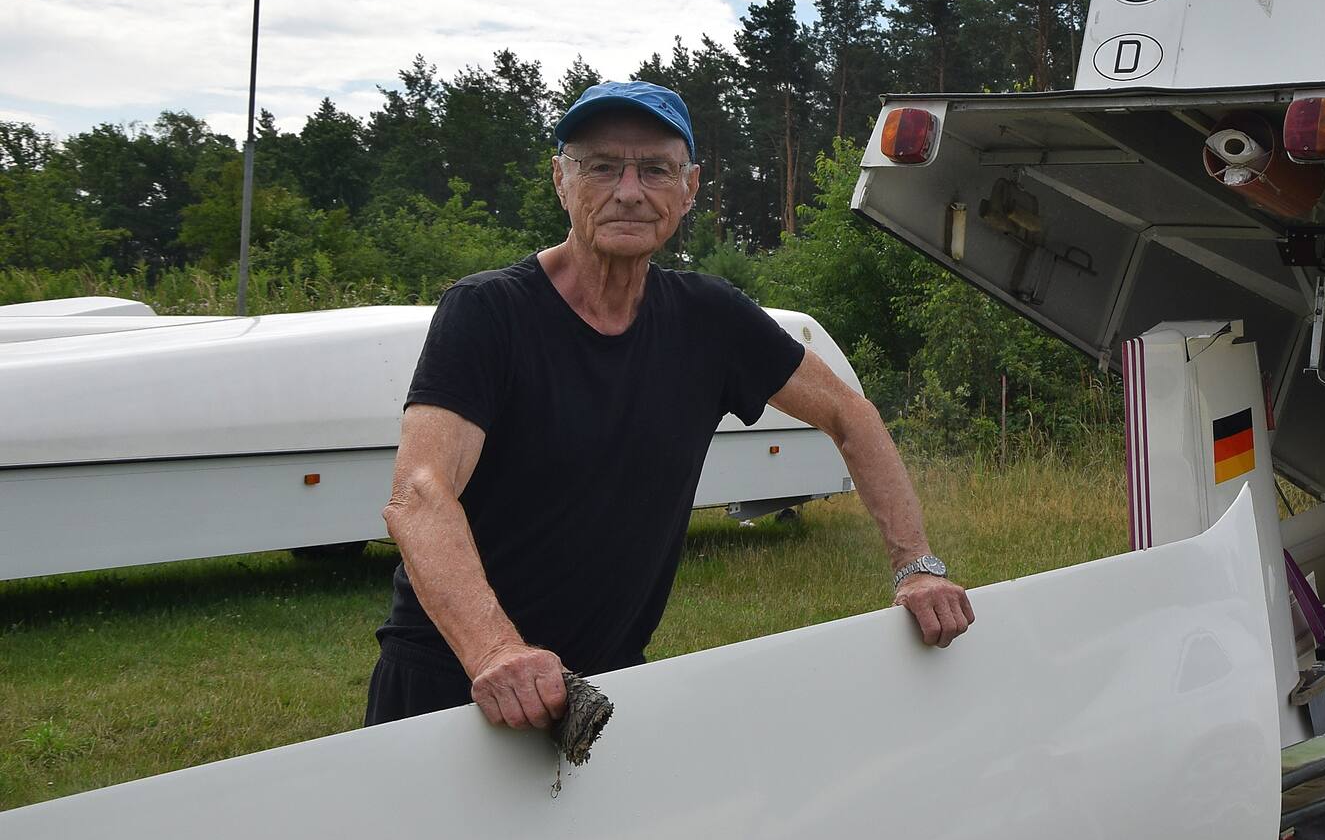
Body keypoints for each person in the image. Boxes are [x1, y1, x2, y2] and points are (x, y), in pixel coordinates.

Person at [365, 80, 973, 728]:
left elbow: (851, 415)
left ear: (689, 188)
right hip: (453, 683)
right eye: (602, 167)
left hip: (606, 685)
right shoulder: (488, 313)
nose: (629, 191)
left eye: (655, 169)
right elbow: (419, 492)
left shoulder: (708, 319)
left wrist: (917, 566)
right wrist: (495, 649)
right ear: (561, 180)